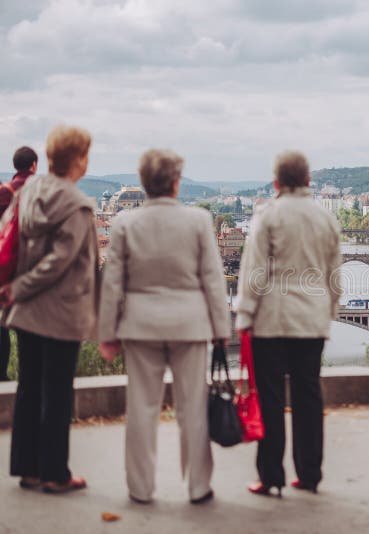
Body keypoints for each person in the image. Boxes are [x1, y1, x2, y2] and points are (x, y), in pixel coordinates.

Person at [98, 149, 229, 504]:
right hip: (189, 324)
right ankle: (198, 486)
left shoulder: (125, 224)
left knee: (142, 409)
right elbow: (213, 280)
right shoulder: (198, 220)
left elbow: (113, 283)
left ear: (144, 184)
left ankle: (140, 488)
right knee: (193, 407)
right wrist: (221, 328)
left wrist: (107, 333)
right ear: (176, 182)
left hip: (141, 325)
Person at [236, 150, 342, 496]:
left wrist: (244, 314)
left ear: (276, 183)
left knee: (269, 398)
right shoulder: (326, 218)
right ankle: (310, 473)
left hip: (273, 319)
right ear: (308, 181)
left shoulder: (268, 216)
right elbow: (335, 275)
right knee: (308, 395)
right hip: (311, 319)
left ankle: (271, 476)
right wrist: (329, 311)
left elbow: (255, 272)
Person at [0, 126, 98, 492]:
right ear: (78, 160)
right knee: (57, 392)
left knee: (29, 388)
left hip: (27, 311)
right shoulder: (76, 205)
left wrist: (15, 289)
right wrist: (19, 288)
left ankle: (27, 468)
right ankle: (56, 473)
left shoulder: (29, 192)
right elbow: (60, 262)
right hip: (60, 311)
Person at [0, 146, 37, 381]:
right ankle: (29, 376)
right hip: (32, 268)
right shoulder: (40, 191)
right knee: (30, 328)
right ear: (34, 165)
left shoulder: (5, 192)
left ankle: (2, 374)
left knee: (2, 323)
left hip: (6, 265)